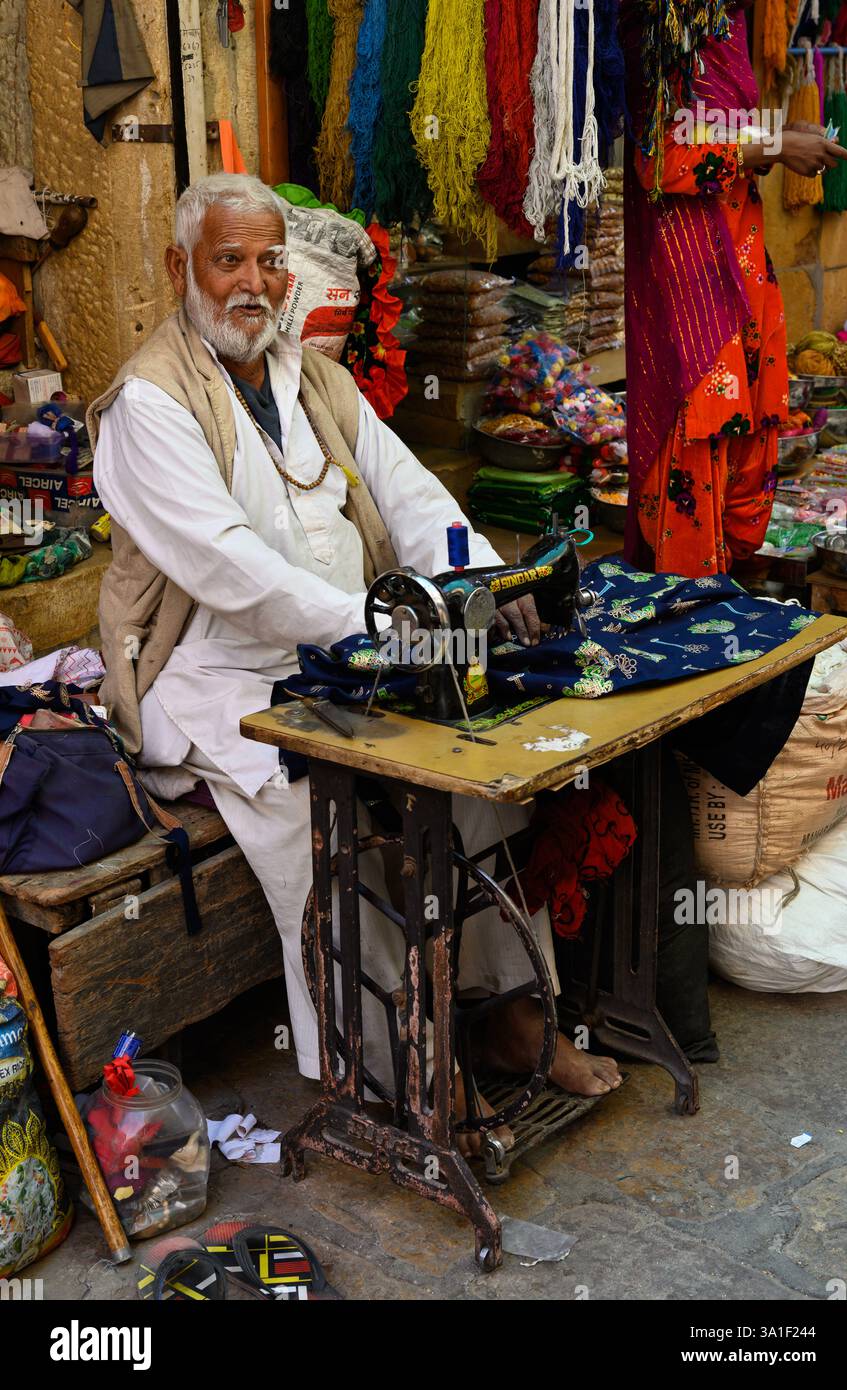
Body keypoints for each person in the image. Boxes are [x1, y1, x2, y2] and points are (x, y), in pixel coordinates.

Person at [90, 174, 623, 1153]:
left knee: (478, 765)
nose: (252, 283)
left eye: (266, 260)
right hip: (216, 679)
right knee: (317, 805)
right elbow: (231, 570)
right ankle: (402, 1067)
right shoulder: (147, 405)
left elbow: (415, 501)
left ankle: (509, 1012)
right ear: (180, 270)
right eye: (227, 261)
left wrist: (483, 588)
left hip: (353, 650)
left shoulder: (314, 379)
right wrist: (383, 625)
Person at [621, 0, 847, 578]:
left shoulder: (723, 20)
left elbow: (714, 130)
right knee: (701, 430)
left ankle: (725, 601)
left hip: (741, 258)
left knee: (748, 438)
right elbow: (659, 158)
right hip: (692, 276)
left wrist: (778, 134)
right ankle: (689, 613)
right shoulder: (662, 20)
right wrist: (772, 147)